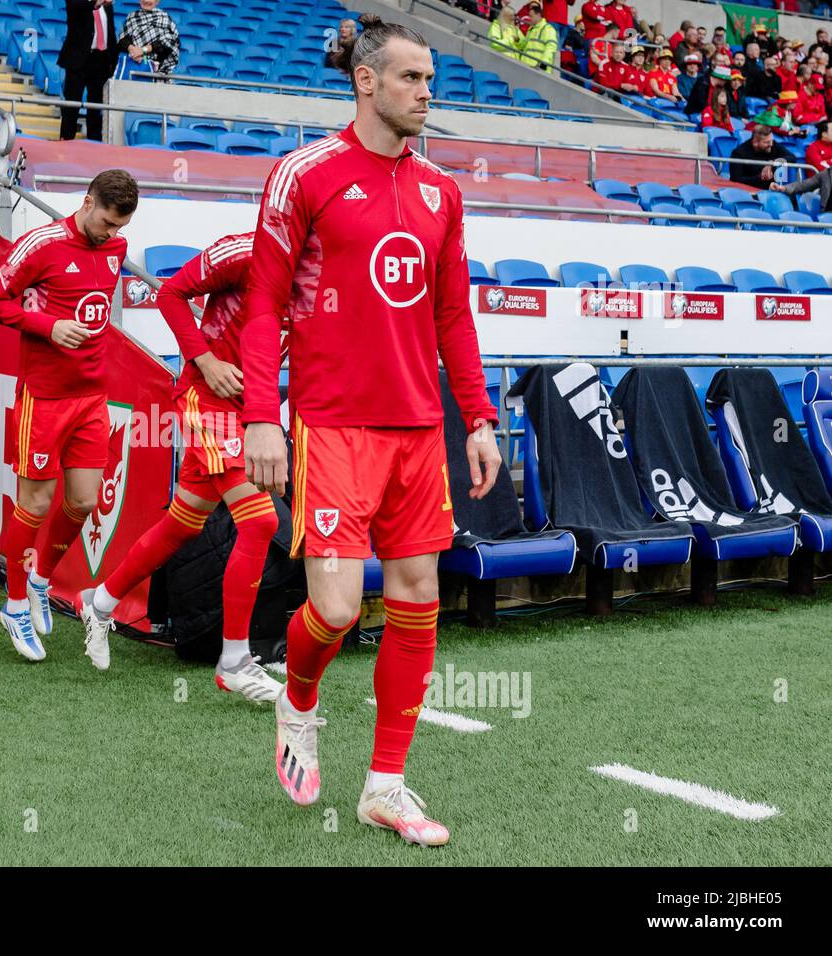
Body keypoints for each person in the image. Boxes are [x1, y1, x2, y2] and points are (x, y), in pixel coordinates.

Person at [242, 16, 501, 845]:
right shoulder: (303, 175)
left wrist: (480, 418)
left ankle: (384, 785)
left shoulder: (442, 191)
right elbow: (261, 311)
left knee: (420, 597)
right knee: (340, 606)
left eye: (431, 80)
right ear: (366, 81)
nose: (428, 93)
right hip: (332, 424)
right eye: (412, 79)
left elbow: (454, 317)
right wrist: (260, 417)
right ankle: (300, 699)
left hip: (420, 430)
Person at [82, 234, 285, 702]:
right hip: (208, 398)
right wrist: (205, 358)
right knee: (261, 522)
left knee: (182, 524)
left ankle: (101, 602)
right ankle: (234, 662)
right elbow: (171, 293)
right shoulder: (244, 250)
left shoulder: (327, 272)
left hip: (252, 408)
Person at [0, 169, 137, 668]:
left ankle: (43, 579)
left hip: (92, 398)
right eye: (106, 223)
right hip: (42, 398)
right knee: (35, 501)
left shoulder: (114, 249)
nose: (111, 235)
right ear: (87, 201)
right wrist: (49, 326)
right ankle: (15, 603)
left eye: (119, 227)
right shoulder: (41, 244)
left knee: (85, 498)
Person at [57, 0, 119, 142]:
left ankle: (94, 144)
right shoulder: (79, 3)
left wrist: (113, 61)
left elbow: (110, 32)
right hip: (77, 61)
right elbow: (77, 5)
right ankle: (65, 142)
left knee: (95, 108)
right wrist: (98, 2)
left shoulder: (107, 7)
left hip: (100, 61)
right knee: (72, 105)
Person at [118, 0, 180, 76]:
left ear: (157, 2)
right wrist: (132, 50)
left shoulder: (165, 18)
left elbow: (169, 43)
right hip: (132, 65)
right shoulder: (132, 16)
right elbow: (122, 41)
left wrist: (143, 50)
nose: (146, 1)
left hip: (157, 69)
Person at [729, 119, 796, 187]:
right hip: (749, 191)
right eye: (766, 142)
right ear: (755, 142)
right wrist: (761, 178)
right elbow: (736, 180)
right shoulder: (739, 153)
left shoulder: (773, 145)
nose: (771, 144)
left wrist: (773, 163)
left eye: (771, 141)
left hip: (772, 189)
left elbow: (792, 157)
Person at [521, 2, 558, 72]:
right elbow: (525, 46)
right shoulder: (531, 29)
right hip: (527, 66)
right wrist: (517, 40)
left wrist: (544, 62)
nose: (529, 18)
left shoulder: (548, 29)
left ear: (538, 15)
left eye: (531, 16)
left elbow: (551, 46)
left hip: (539, 68)